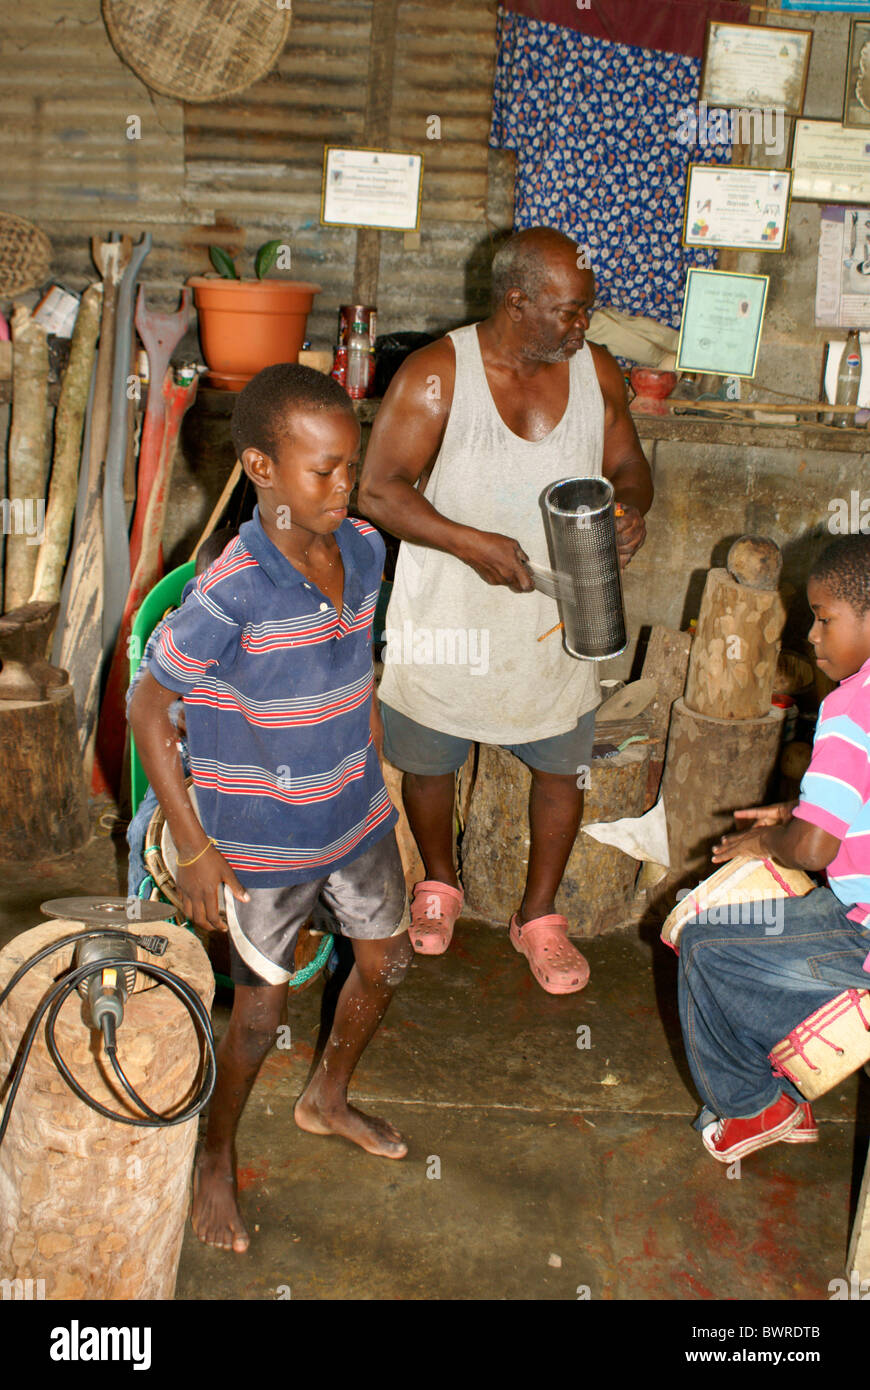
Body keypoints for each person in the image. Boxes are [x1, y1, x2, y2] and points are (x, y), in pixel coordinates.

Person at [128, 364, 413, 1254]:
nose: (341, 487)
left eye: (349, 466)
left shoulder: (363, 548)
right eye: (320, 471)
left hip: (353, 812)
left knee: (386, 965)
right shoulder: (231, 589)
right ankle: (217, 1157)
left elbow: (354, 669)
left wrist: (383, 780)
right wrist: (193, 844)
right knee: (259, 1014)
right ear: (259, 467)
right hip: (258, 838)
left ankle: (325, 1096)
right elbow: (146, 703)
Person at [358, 226, 652, 994]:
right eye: (568, 312)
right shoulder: (436, 376)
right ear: (516, 303)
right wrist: (465, 542)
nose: (582, 326)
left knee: (561, 766)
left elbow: (628, 463)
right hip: (450, 617)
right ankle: (440, 884)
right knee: (429, 763)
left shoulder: (595, 371)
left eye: (586, 310)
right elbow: (377, 488)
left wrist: (631, 511)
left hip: (560, 619)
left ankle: (540, 915)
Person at [677, 534, 870, 1162]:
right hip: (855, 906)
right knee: (778, 923)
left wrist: (768, 839)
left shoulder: (851, 705)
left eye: (824, 618)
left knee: (705, 943)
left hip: (863, 931)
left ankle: (754, 1106)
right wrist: (795, 811)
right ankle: (787, 1089)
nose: (812, 636)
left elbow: (812, 849)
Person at [125, 527, 236, 898]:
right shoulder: (174, 632)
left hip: (263, 769)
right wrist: (179, 716)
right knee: (144, 832)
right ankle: (145, 935)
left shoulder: (279, 634)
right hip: (188, 763)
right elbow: (137, 704)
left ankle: (319, 953)